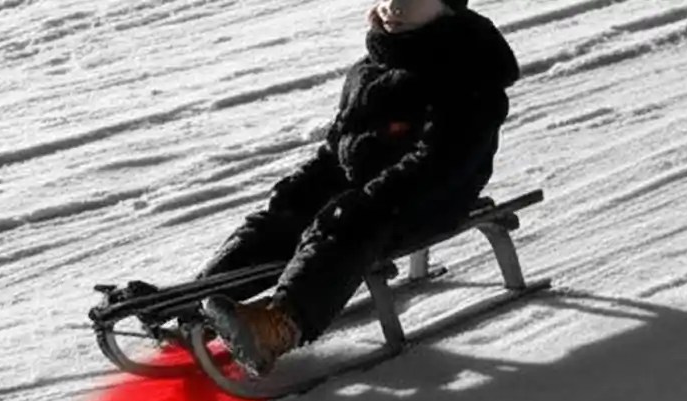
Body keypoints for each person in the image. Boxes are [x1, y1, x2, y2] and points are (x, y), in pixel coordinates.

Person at [196, 0, 520, 375]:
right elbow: (338, 149)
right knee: (288, 210)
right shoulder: (370, 68)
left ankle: (280, 326)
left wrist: (369, 199)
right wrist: (301, 188)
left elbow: (439, 163)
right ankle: (200, 297)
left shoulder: (466, 70)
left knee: (345, 222)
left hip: (428, 197)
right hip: (368, 191)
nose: (394, 7)